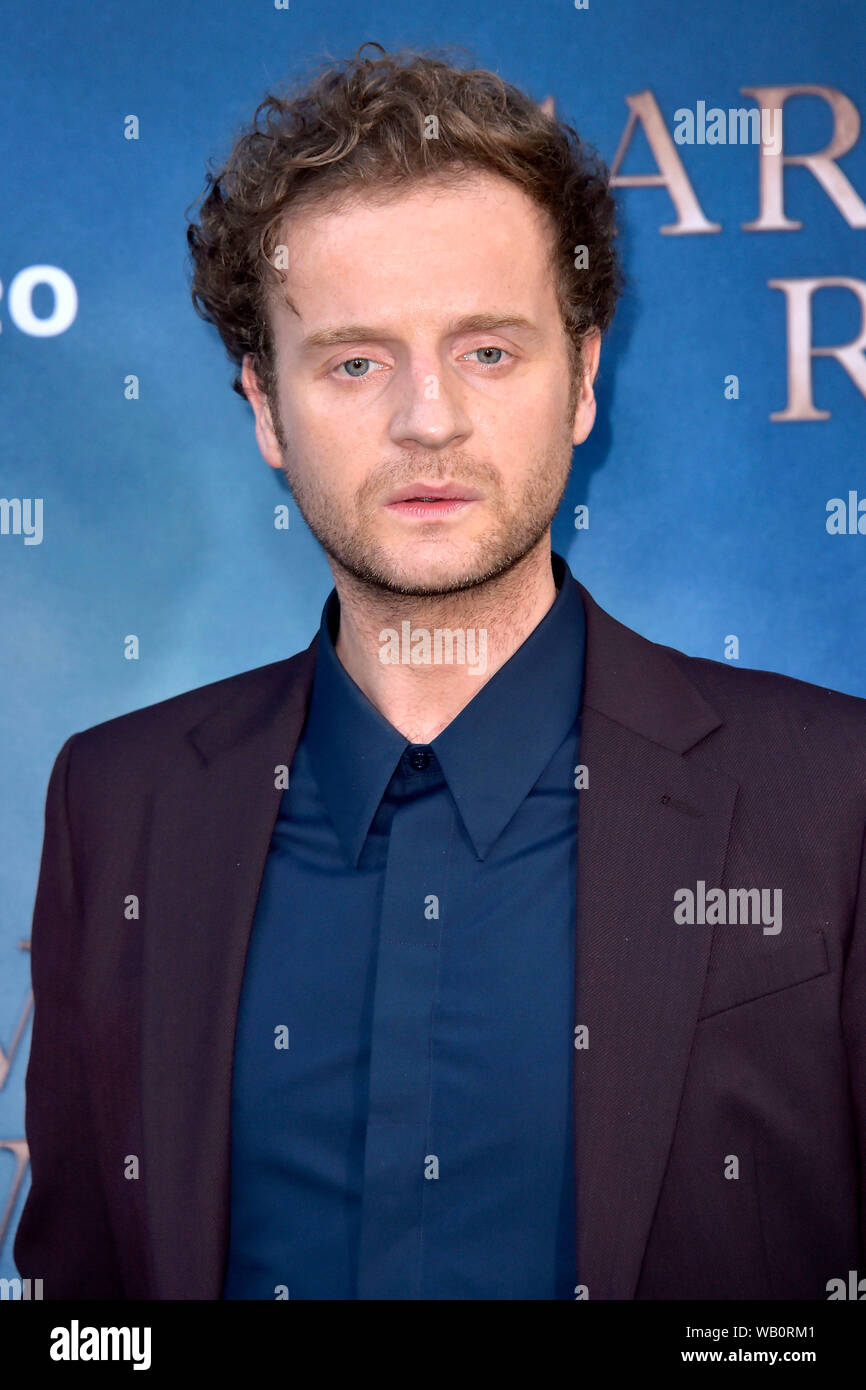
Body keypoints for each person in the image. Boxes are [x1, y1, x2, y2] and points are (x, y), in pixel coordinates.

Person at [15, 42, 866, 1301]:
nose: (427, 419)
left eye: (485, 351)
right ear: (263, 409)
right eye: (355, 361)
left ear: (581, 381)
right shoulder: (117, 804)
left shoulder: (832, 795)